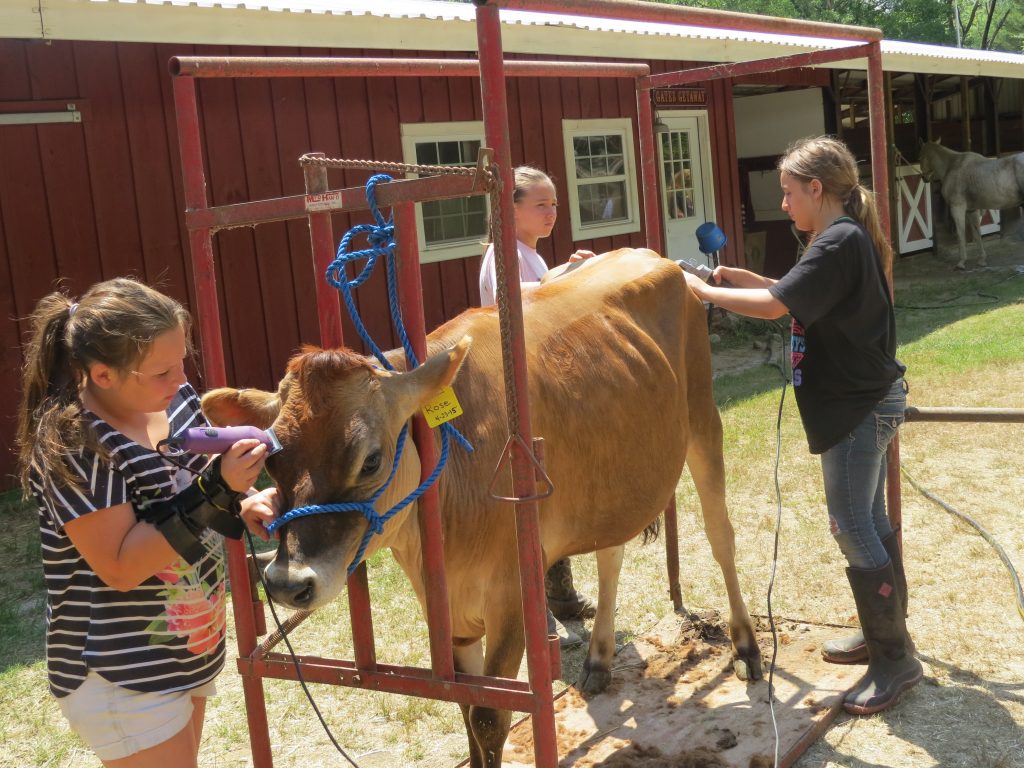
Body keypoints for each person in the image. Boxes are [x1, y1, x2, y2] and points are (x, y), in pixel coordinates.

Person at [682, 136, 922, 716]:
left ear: (817, 188)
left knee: (850, 525)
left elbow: (776, 307)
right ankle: (885, 635)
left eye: (789, 193)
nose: (784, 204)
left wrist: (699, 290)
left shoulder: (836, 241)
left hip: (857, 407)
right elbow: (790, 294)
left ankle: (895, 660)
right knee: (869, 521)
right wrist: (734, 277)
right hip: (865, 400)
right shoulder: (841, 237)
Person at [16, 277, 280, 767]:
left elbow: (190, 484)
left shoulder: (172, 401)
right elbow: (120, 566)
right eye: (161, 371)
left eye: (181, 361)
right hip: (121, 671)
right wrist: (216, 490)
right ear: (103, 375)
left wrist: (241, 501)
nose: (180, 380)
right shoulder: (77, 444)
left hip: (183, 653)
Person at [478, 165, 598, 647]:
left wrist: (567, 271)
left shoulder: (529, 253)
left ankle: (561, 597)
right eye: (541, 204)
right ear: (510, 210)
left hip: (539, 383)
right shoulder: (503, 253)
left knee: (550, 490)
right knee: (532, 499)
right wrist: (573, 274)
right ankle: (538, 612)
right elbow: (518, 296)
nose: (551, 213)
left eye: (555, 204)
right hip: (517, 388)